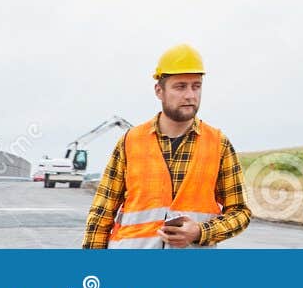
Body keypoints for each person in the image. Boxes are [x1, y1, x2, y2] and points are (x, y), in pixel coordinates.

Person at [81, 44, 252, 249]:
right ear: (159, 91)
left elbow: (240, 212)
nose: (190, 95)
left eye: (196, 86)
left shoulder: (218, 144)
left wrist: (200, 231)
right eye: (180, 87)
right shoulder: (130, 142)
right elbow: (101, 215)